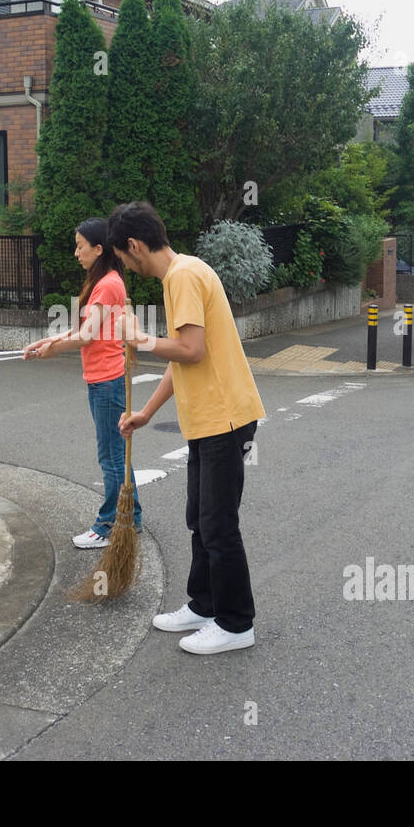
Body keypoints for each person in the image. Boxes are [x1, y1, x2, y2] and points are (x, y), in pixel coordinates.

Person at [109, 202, 266, 655]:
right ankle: (205, 604)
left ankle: (236, 624)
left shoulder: (182, 277)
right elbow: (181, 359)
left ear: (134, 245)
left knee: (218, 525)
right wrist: (147, 413)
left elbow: (191, 350)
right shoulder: (182, 274)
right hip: (208, 421)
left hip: (224, 419)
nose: (126, 265)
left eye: (123, 257)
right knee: (200, 519)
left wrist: (140, 339)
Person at [23, 219, 142, 549]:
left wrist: (53, 349)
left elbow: (87, 336)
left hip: (106, 381)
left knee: (111, 457)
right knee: (118, 453)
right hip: (104, 378)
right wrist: (47, 341)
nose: (76, 252)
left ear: (99, 248)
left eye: (80, 245)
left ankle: (108, 525)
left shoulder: (107, 285)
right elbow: (86, 329)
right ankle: (132, 517)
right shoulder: (106, 281)